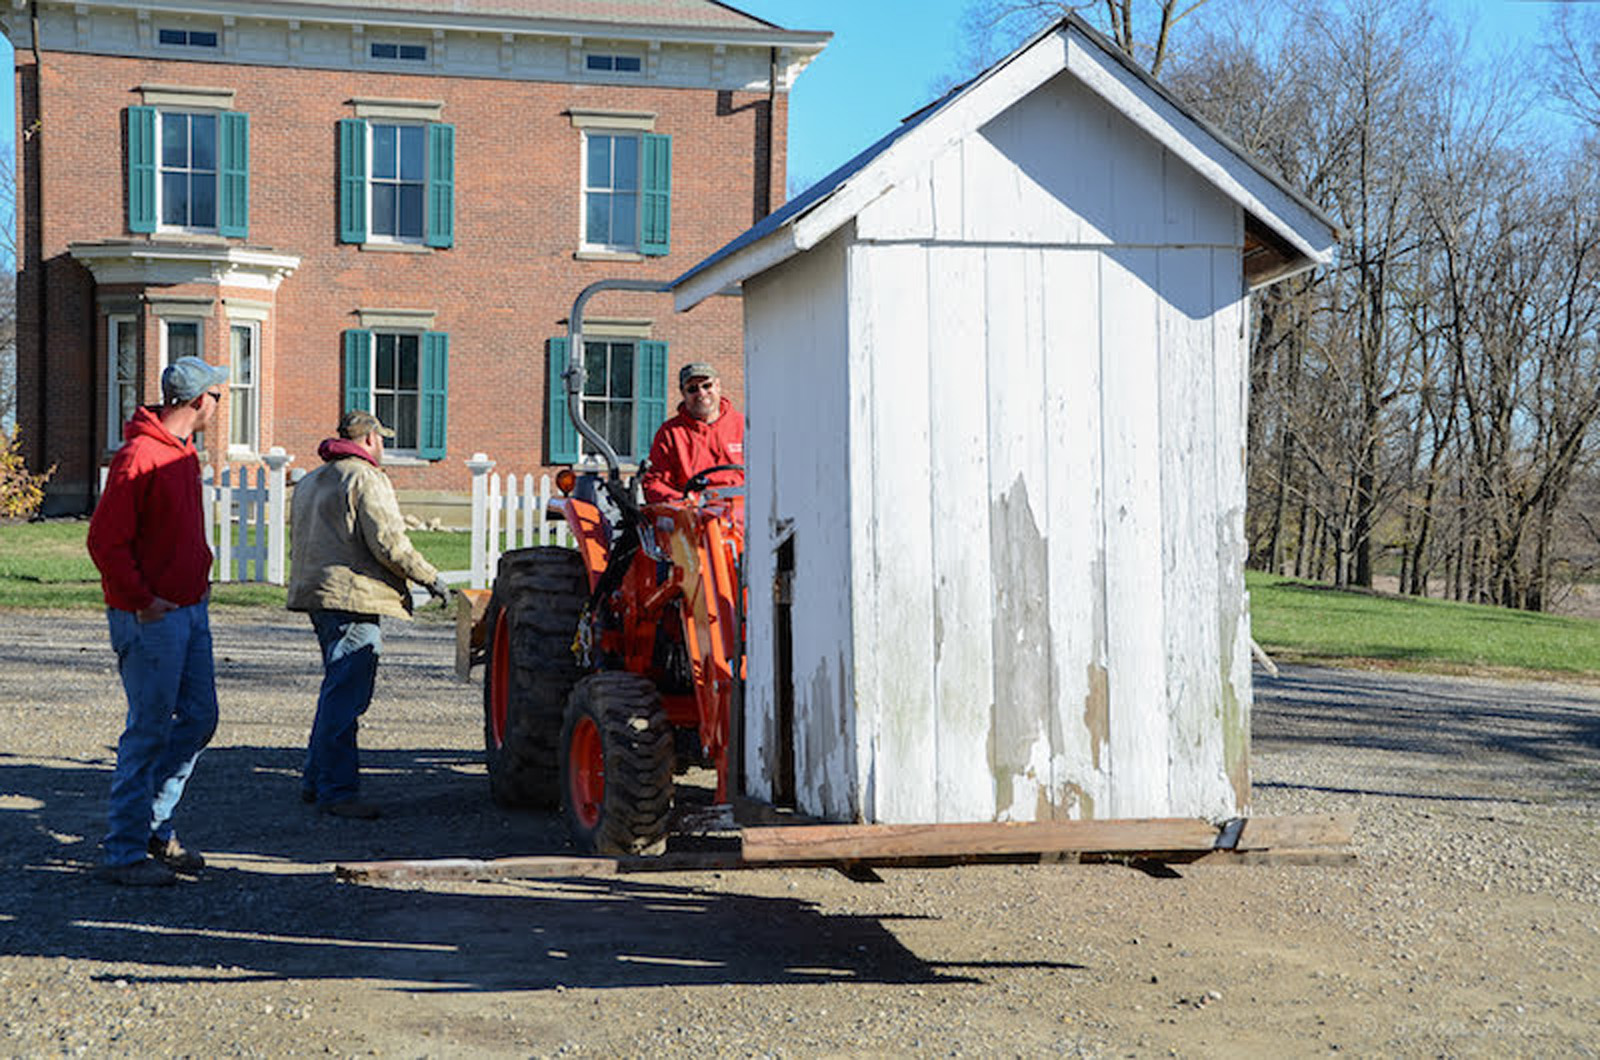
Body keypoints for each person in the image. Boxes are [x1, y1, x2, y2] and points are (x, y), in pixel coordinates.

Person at [87, 355, 230, 886]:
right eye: (218, 394)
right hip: (151, 618)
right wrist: (142, 600)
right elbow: (104, 541)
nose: (220, 403)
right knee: (147, 731)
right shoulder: (141, 455)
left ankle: (152, 826)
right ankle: (123, 853)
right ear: (200, 401)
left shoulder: (181, 453)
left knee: (198, 717)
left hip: (188, 610)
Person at [287, 409, 450, 819]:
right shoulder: (364, 477)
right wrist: (430, 578)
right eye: (382, 439)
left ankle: (315, 780)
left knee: (334, 692)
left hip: (318, 594)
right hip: (353, 597)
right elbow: (389, 543)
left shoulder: (310, 480)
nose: (384, 447)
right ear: (370, 439)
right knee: (346, 698)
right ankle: (337, 792)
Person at [639, 362, 746, 503]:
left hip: (741, 509)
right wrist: (682, 500)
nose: (701, 393)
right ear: (683, 393)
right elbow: (653, 483)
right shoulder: (670, 433)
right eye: (692, 389)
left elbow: (767, 474)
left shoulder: (745, 426)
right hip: (694, 512)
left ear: (718, 386)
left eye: (707, 386)